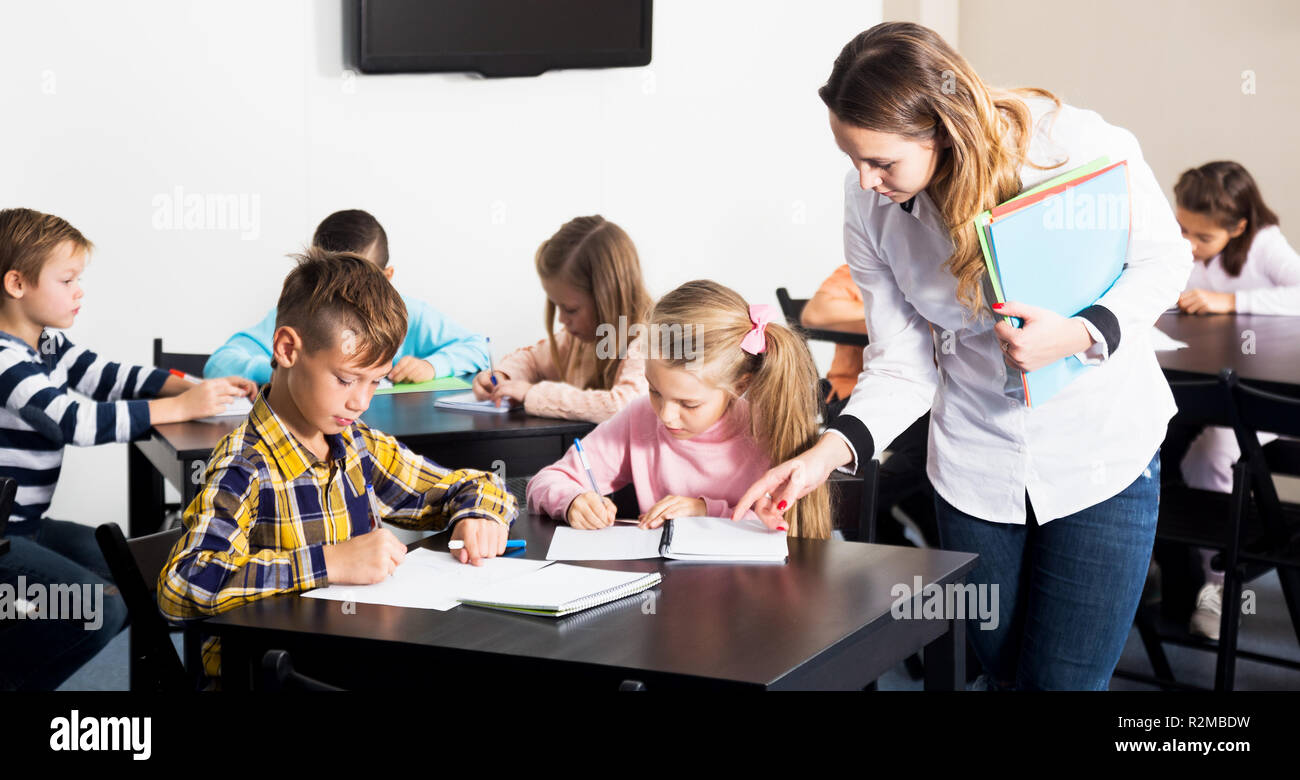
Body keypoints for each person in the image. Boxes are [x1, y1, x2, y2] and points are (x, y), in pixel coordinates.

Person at [733, 22, 1192, 690]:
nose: (865, 181)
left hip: (1102, 453)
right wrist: (823, 454)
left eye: (882, 162)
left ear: (941, 130)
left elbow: (1164, 258)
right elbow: (902, 359)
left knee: (1061, 684)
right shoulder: (869, 205)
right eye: (852, 160)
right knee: (1002, 670)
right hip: (976, 462)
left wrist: (1082, 331)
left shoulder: (1074, 145)